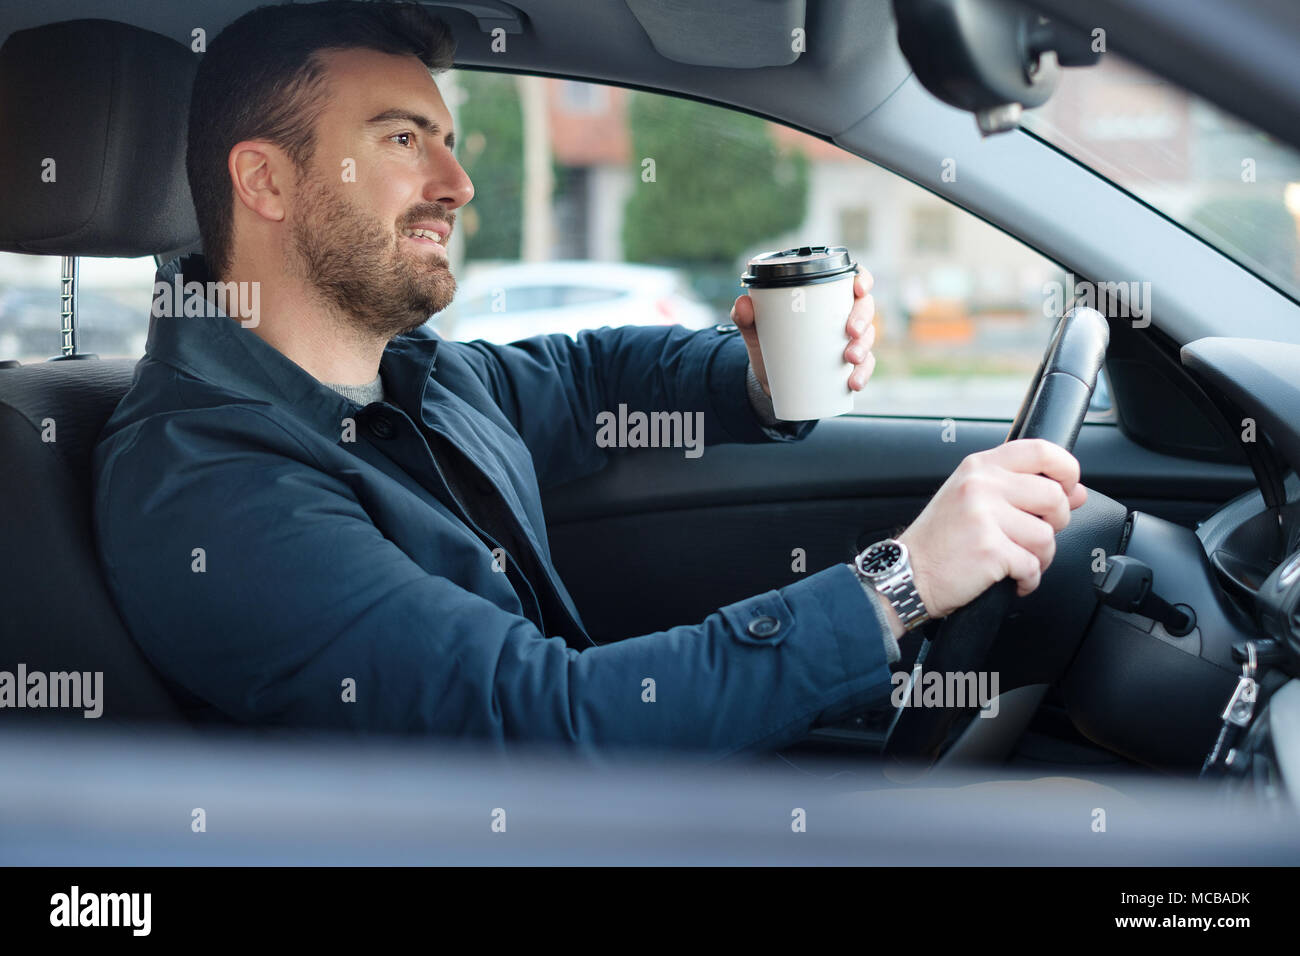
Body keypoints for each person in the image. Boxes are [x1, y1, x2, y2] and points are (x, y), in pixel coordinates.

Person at [92, 0, 1087, 757]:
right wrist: (898, 584)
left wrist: (754, 376)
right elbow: (548, 721)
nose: (458, 182)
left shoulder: (405, 381)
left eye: (447, 138)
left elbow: (586, 377)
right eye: (402, 139)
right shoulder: (210, 491)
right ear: (264, 181)